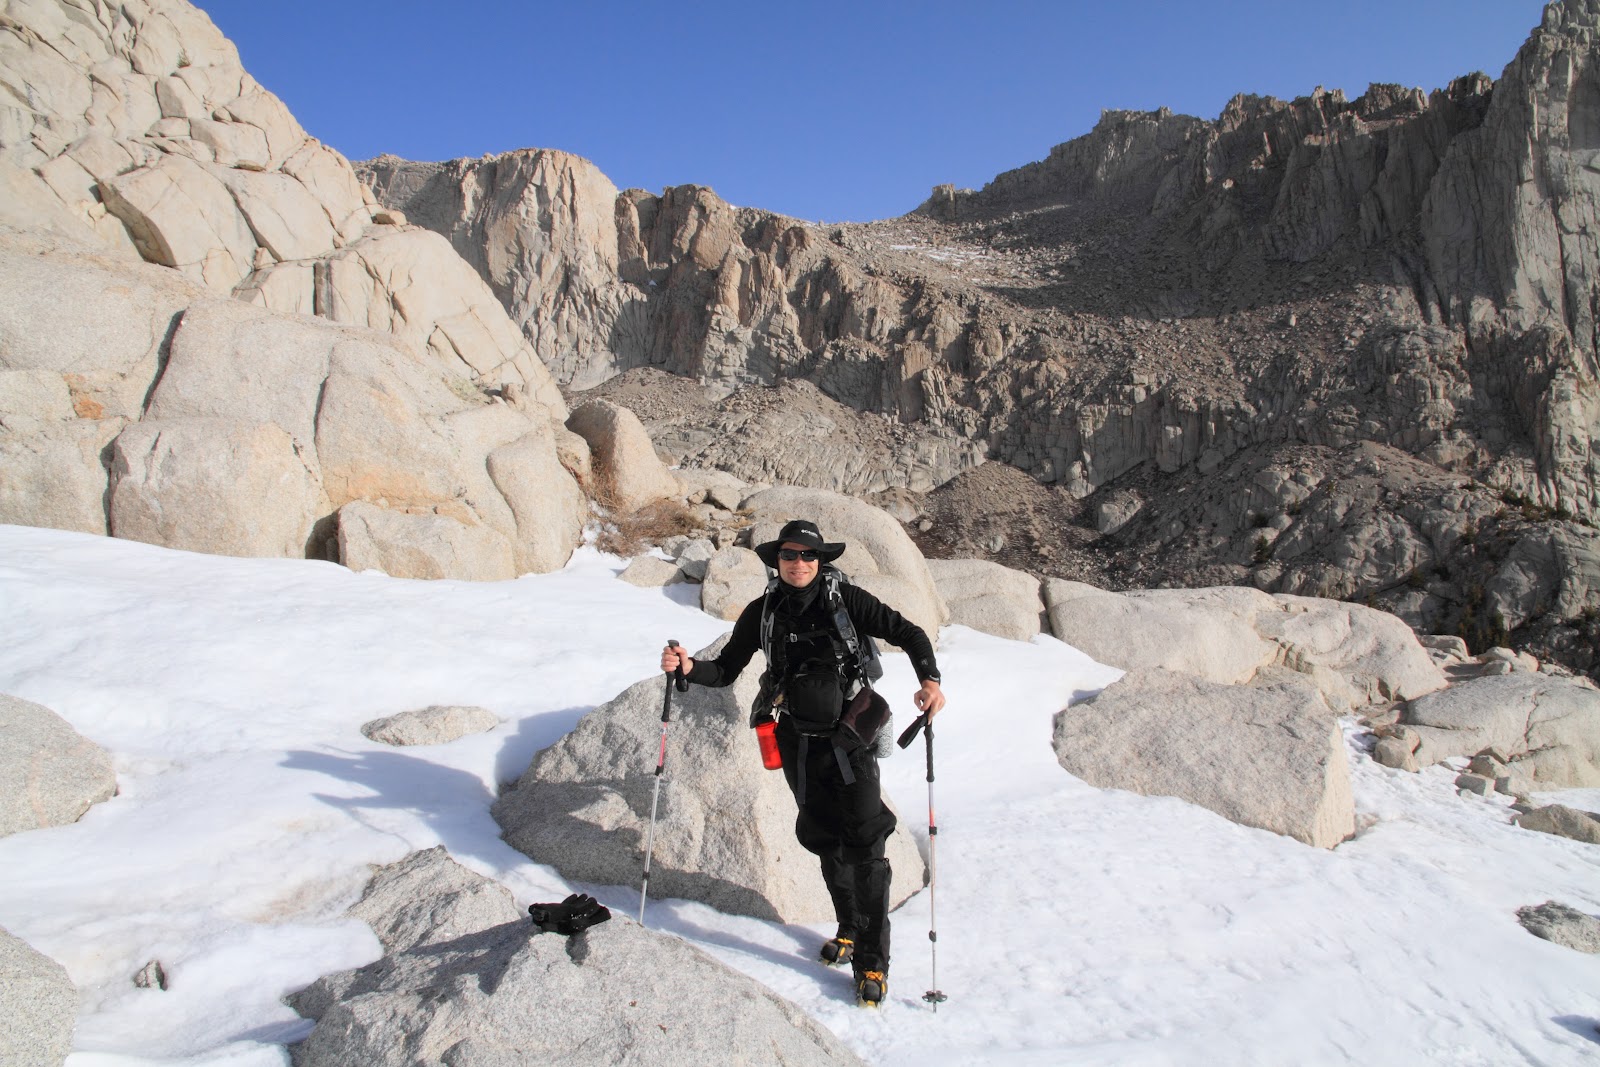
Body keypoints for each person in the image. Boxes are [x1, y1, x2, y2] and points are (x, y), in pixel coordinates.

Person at [660, 519, 944, 1007]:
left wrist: (930, 681)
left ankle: (872, 964)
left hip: (850, 742)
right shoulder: (763, 611)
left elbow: (908, 631)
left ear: (821, 561)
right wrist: (688, 669)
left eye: (808, 556)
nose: (799, 563)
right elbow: (726, 669)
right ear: (776, 561)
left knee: (866, 847)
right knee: (823, 837)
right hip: (797, 741)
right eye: (789, 555)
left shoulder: (847, 602)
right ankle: (849, 929)